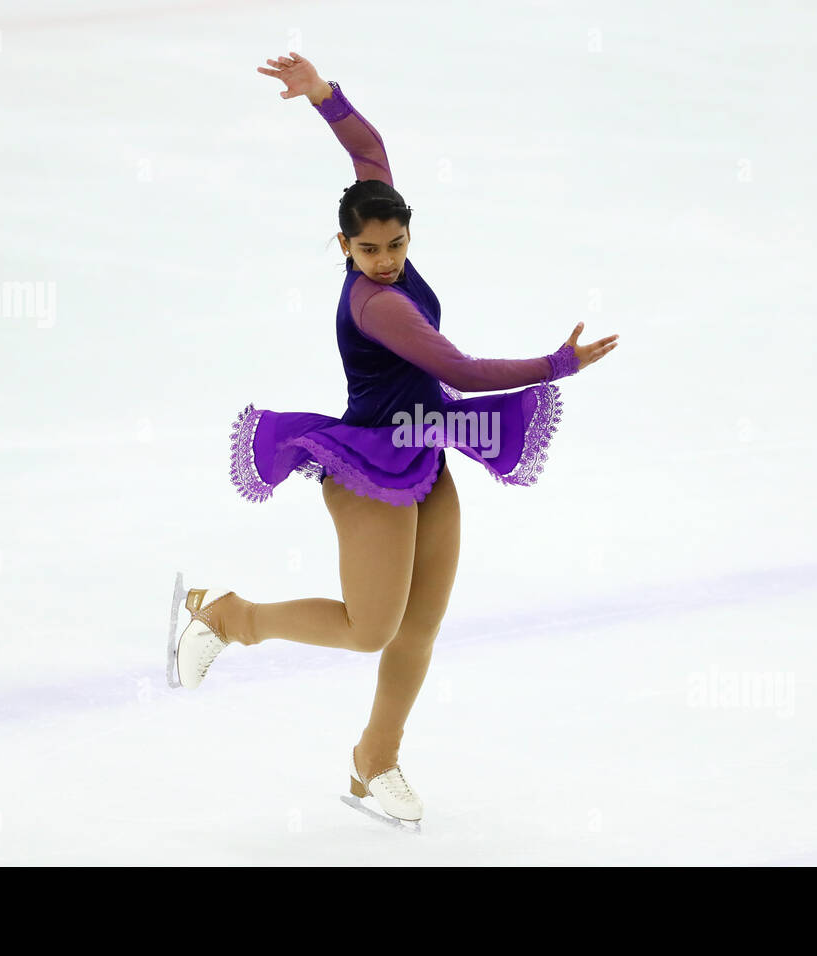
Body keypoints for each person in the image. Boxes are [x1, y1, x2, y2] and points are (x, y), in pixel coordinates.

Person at [166, 52, 619, 827]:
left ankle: (375, 761)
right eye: (370, 250)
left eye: (397, 245)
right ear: (343, 245)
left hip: (423, 449)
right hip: (369, 464)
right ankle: (225, 618)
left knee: (420, 627)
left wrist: (325, 96)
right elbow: (459, 369)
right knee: (369, 629)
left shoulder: (385, 234)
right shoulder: (378, 308)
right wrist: (558, 363)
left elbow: (368, 155)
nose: (386, 259)